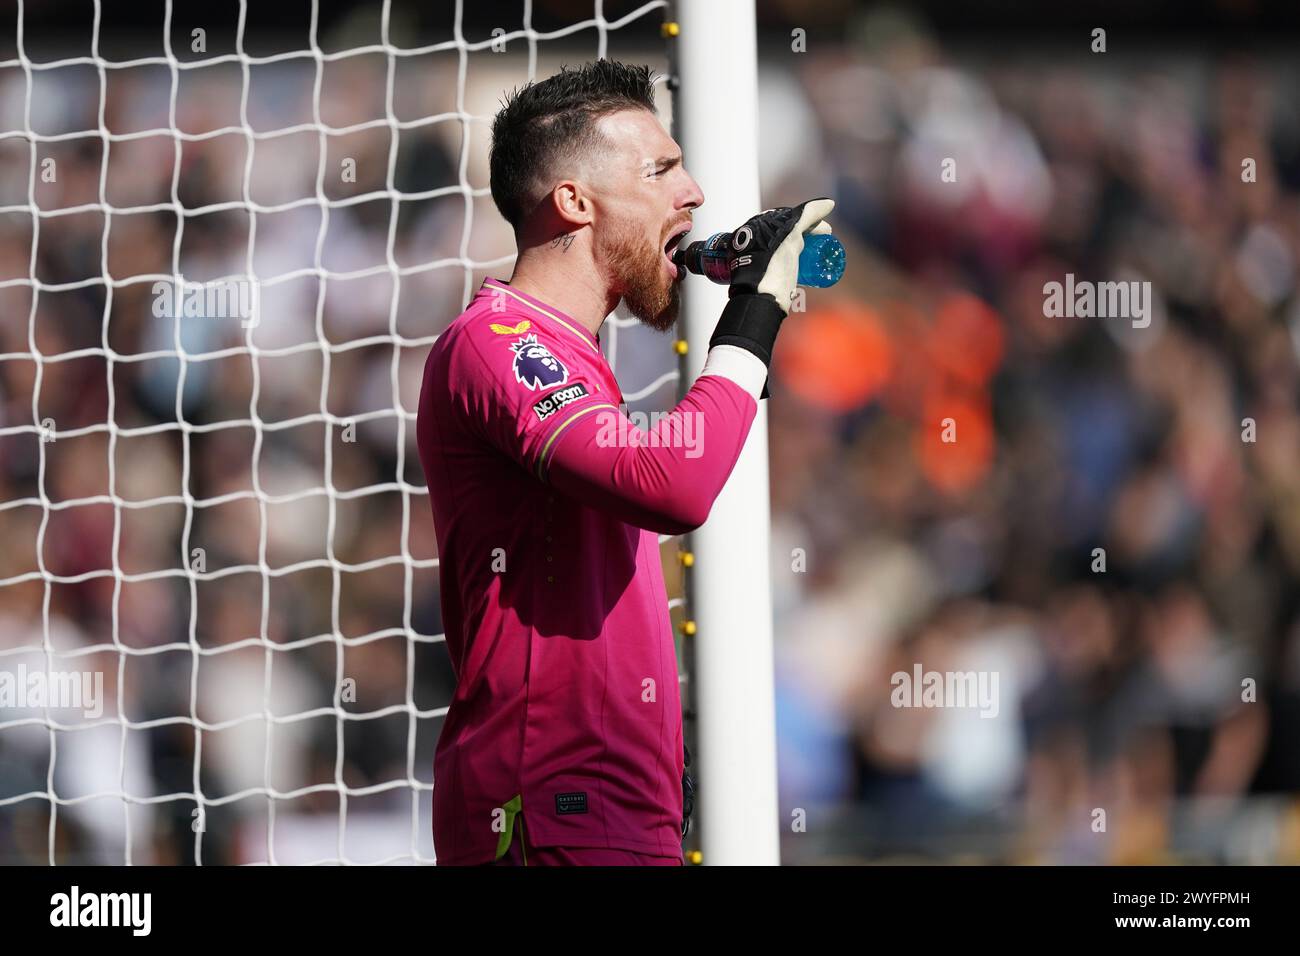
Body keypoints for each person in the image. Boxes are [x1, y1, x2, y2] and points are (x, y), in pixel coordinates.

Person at [416, 58, 833, 865]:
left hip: (607, 809)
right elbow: (673, 485)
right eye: (663, 169)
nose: (696, 193)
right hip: (549, 804)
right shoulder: (499, 342)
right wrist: (754, 314)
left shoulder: (574, 359)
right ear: (574, 201)